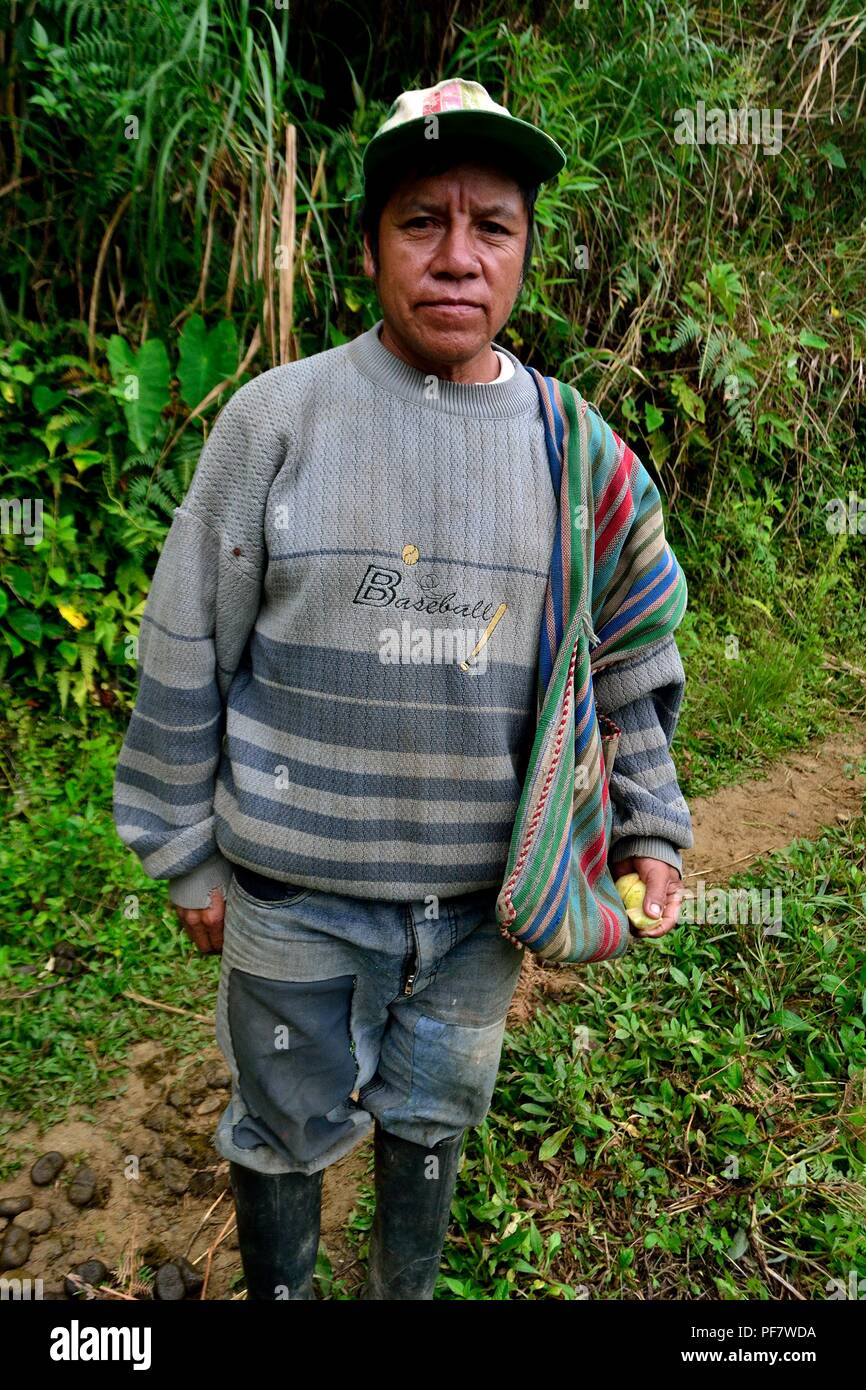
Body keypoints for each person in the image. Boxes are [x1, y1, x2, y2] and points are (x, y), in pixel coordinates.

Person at [112, 78, 692, 1301]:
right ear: (370, 242)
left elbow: (627, 662)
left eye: (493, 226)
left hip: (480, 915)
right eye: (421, 220)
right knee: (281, 1126)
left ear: (527, 251)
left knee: (432, 1117)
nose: (457, 257)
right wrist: (183, 850)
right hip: (292, 902)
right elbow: (184, 642)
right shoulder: (276, 423)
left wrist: (648, 829)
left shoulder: (576, 451)